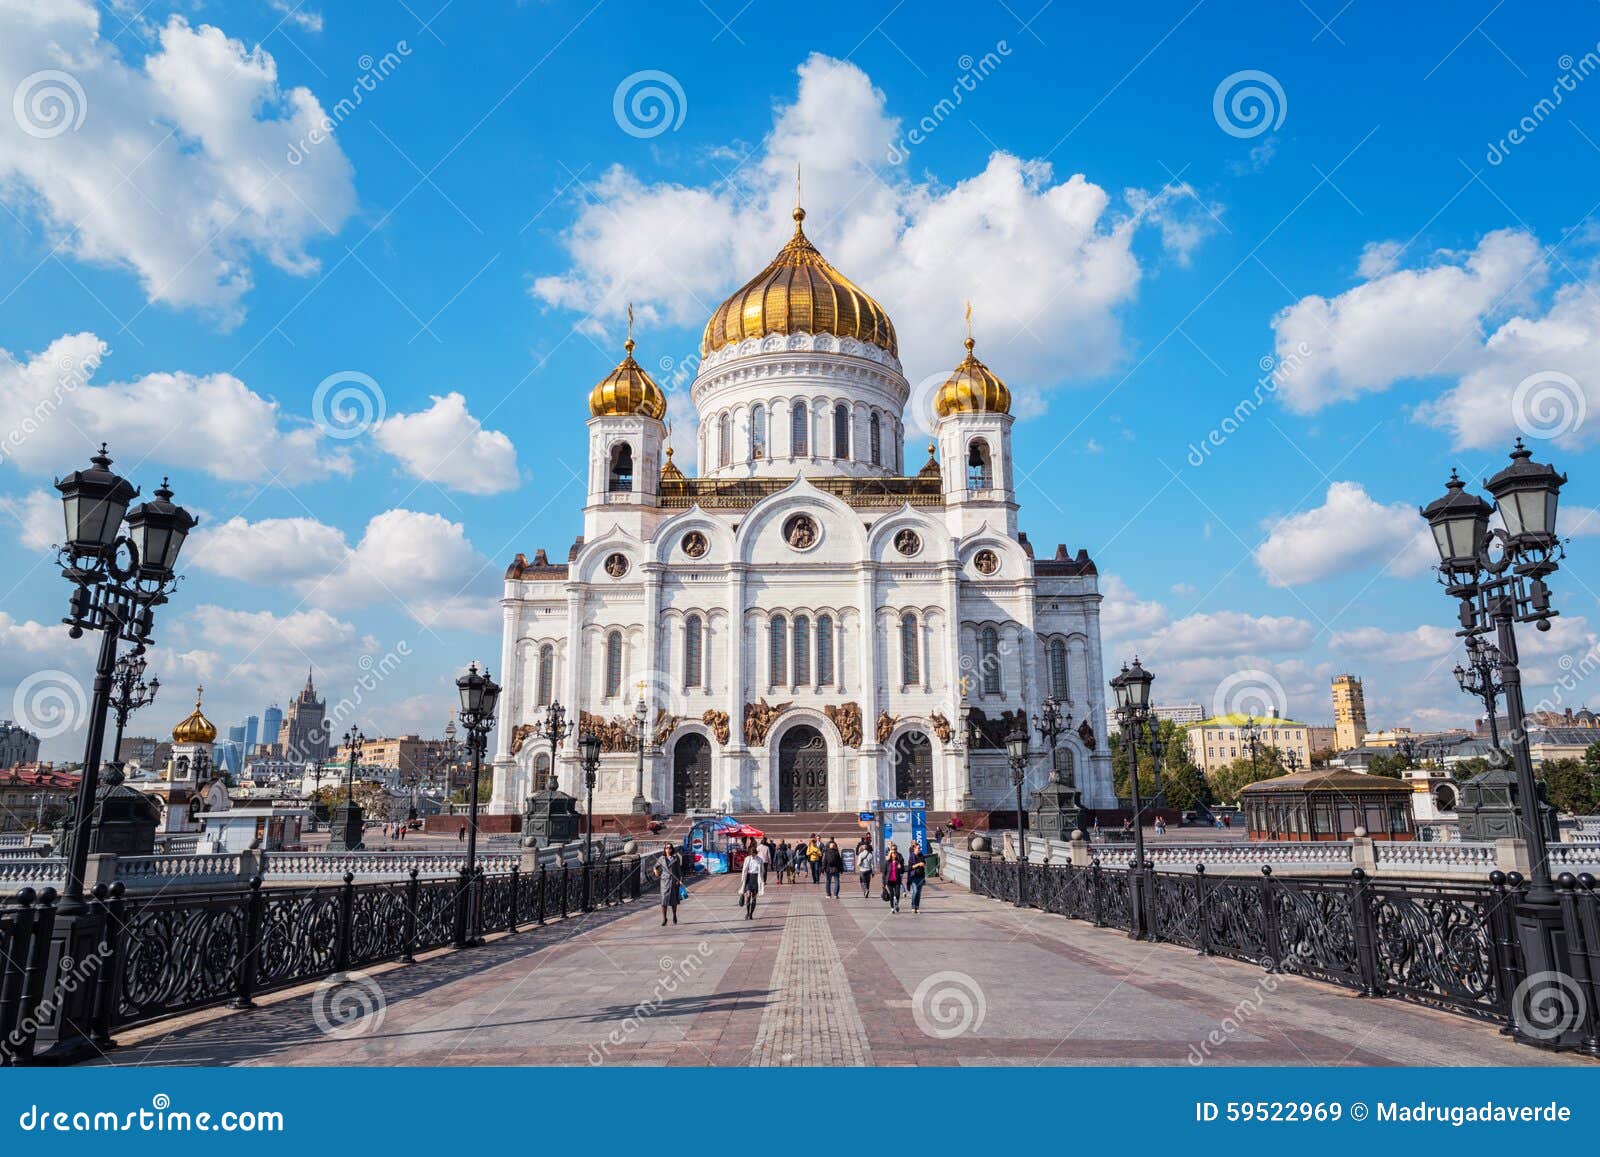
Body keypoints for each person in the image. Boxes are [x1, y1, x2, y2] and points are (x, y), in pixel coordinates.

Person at [653, 842, 683, 926]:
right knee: (664, 901)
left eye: (669, 848)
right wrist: (656, 871)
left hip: (674, 881)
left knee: (674, 901)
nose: (668, 849)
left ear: (672, 849)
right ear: (664, 849)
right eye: (666, 848)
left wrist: (680, 879)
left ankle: (674, 915)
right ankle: (664, 918)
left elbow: (679, 870)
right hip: (664, 881)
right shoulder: (661, 858)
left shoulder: (676, 857)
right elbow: (655, 866)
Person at [740, 844, 763, 919]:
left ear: (755, 853)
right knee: (748, 895)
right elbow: (744, 869)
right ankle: (747, 912)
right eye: (751, 853)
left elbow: (762, 871)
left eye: (753, 853)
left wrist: (762, 880)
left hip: (756, 878)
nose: (752, 855)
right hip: (749, 878)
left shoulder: (759, 860)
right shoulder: (747, 859)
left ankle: (751, 914)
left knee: (754, 897)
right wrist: (743, 879)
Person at [883, 843, 905, 913]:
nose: (894, 853)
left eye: (895, 852)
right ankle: (892, 908)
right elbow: (884, 872)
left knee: (897, 894)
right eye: (892, 852)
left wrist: (900, 867)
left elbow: (902, 871)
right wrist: (883, 883)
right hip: (889, 881)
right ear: (890, 853)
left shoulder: (899, 860)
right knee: (891, 894)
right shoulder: (887, 862)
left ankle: (897, 904)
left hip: (897, 880)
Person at [907, 841, 927, 914]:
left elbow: (925, 864)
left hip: (921, 876)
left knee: (919, 893)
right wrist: (918, 864)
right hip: (914, 877)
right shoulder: (911, 856)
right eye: (918, 848)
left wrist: (923, 864)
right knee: (915, 891)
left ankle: (917, 907)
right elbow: (910, 867)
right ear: (914, 848)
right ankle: (913, 906)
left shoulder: (921, 855)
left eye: (920, 848)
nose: (919, 849)